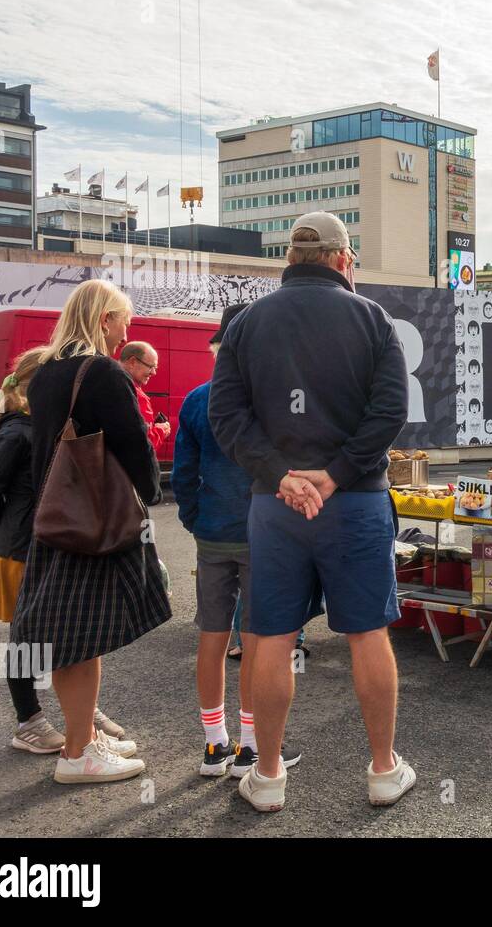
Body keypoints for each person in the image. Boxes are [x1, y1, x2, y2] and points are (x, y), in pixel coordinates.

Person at [209, 211, 414, 812]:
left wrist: (281, 476)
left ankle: (267, 777)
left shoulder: (247, 324)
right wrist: (336, 475)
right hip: (353, 502)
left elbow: (228, 418)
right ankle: (382, 770)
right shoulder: (372, 319)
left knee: (271, 636)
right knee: (367, 633)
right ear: (342, 259)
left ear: (291, 259)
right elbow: (390, 411)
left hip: (276, 508)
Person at [10, 279, 170, 784]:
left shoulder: (46, 373)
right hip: (96, 522)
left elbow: (45, 456)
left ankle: (82, 736)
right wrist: (147, 498)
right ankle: (79, 753)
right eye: (123, 319)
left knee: (69, 637)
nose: (127, 330)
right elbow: (133, 447)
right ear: (104, 319)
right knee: (82, 641)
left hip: (57, 519)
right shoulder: (101, 371)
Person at [174, 303, 304, 779]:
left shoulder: (195, 401)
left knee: (211, 638)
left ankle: (214, 746)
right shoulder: (273, 405)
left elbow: (182, 476)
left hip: (213, 534)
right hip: (263, 535)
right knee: (257, 642)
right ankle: (251, 747)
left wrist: (195, 518)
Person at [0, 348, 65, 754]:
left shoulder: (33, 426)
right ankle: (29, 721)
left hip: (34, 546)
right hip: (21, 551)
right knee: (27, 638)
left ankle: (79, 710)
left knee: (57, 631)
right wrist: (10, 527)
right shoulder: (19, 432)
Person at [118, 341, 171, 453]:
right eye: (151, 367)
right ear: (133, 362)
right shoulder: (136, 395)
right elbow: (145, 444)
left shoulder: (109, 380)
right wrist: (161, 430)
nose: (154, 372)